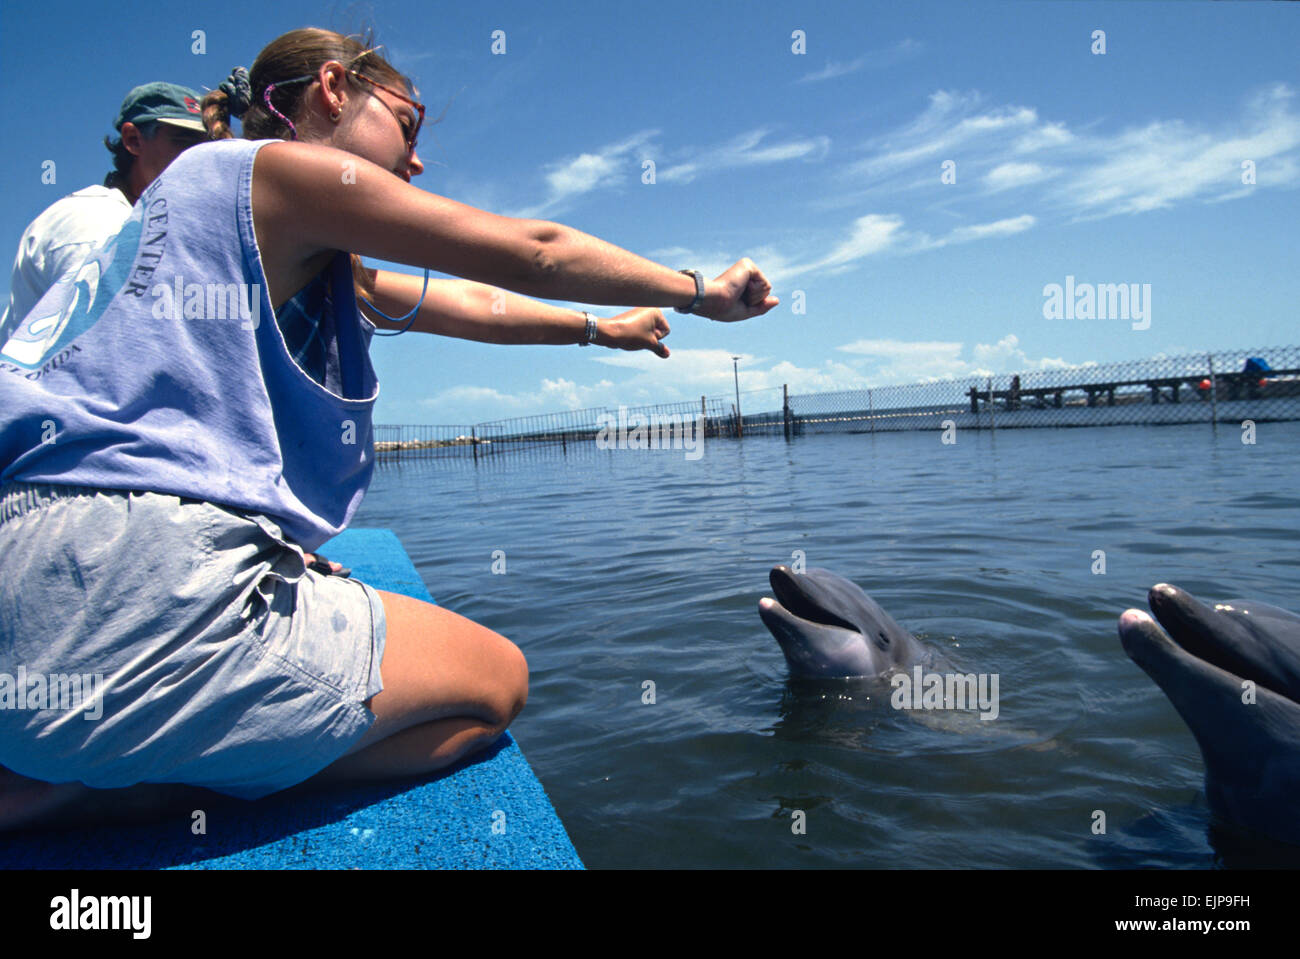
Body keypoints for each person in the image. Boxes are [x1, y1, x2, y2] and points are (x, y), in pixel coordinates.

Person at [0, 27, 777, 827]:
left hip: (19, 582)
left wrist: (600, 330)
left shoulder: (208, 220)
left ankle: (70, 759)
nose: (417, 158)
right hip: (121, 593)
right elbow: (531, 250)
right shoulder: (268, 175)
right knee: (494, 686)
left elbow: (477, 307)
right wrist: (698, 290)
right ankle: (130, 784)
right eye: (409, 122)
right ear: (334, 89)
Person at [0, 82, 208, 336]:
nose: (202, 157)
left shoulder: (148, 226)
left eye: (209, 146)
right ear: (133, 140)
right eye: (185, 142)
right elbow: (99, 350)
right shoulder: (97, 220)